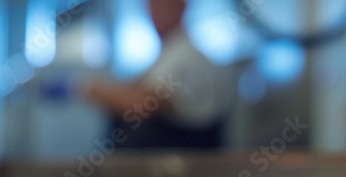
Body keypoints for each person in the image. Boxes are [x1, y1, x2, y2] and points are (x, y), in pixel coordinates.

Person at [82, 0, 236, 149]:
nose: (154, 13)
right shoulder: (168, 52)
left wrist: (89, 88)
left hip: (181, 158)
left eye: (161, 4)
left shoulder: (185, 55)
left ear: (180, 6)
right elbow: (135, 86)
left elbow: (143, 104)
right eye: (150, 6)